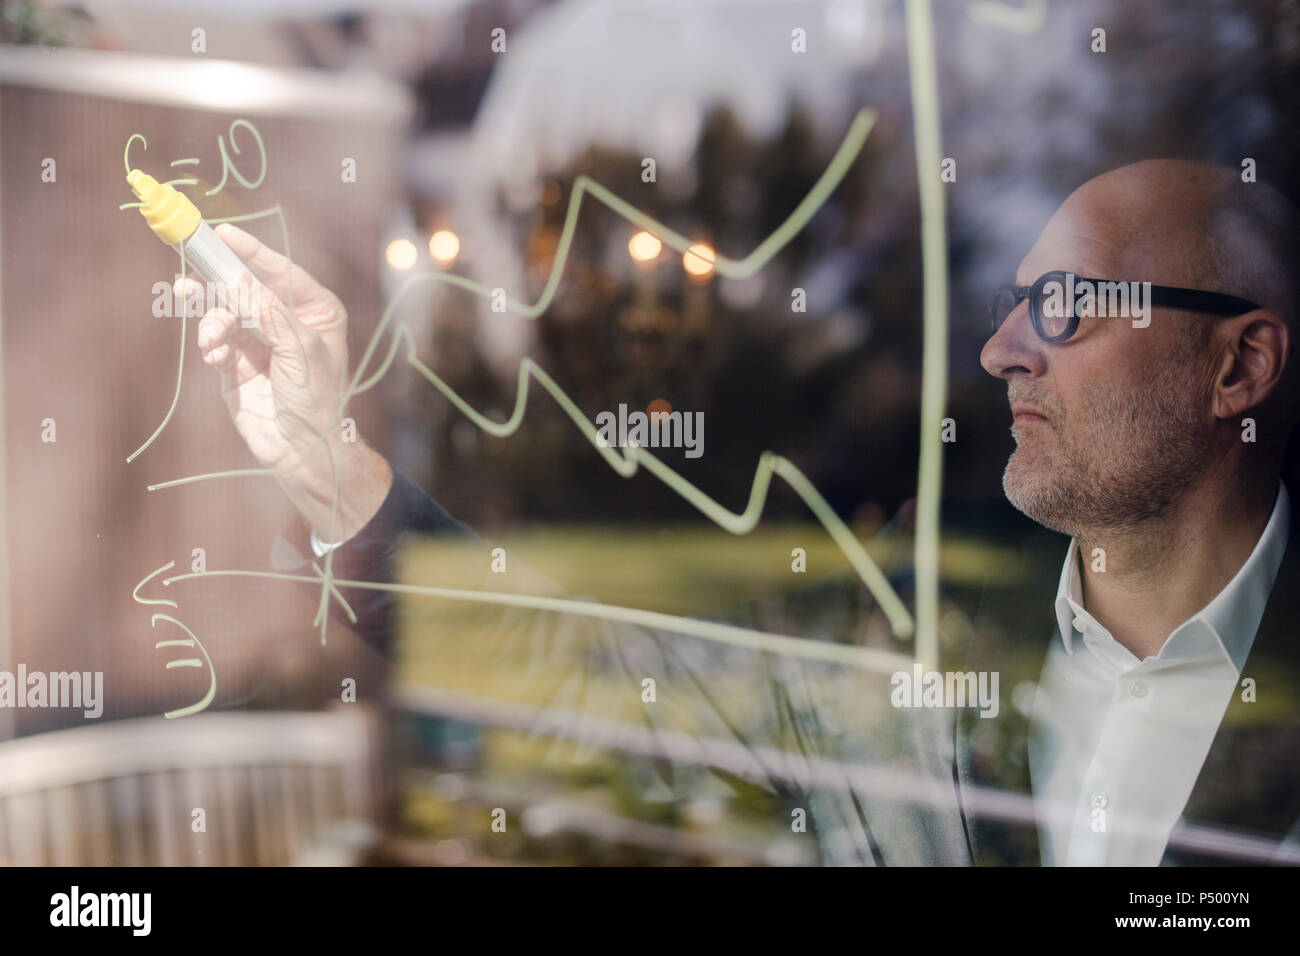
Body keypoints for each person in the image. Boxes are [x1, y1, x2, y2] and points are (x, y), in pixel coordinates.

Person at [178, 158, 1300, 865]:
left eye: (1063, 307)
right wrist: (327, 466)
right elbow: (599, 681)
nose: (1001, 351)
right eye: (1011, 308)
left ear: (1237, 366)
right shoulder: (896, 637)